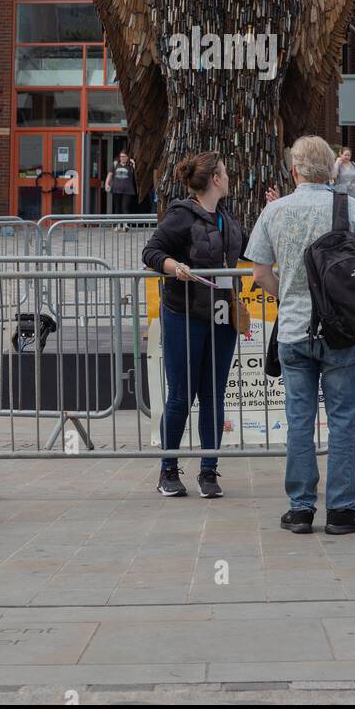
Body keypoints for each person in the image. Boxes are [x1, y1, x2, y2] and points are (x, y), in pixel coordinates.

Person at [247, 135, 355, 535]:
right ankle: (341, 509)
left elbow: (259, 274)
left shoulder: (274, 212)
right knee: (343, 420)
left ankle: (301, 508)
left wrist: (287, 295)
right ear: (331, 171)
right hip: (341, 332)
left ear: (293, 171)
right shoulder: (351, 209)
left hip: (292, 331)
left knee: (299, 420)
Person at [142, 152, 245, 499]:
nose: (230, 177)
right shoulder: (181, 215)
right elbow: (151, 251)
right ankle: (168, 469)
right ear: (215, 179)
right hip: (184, 314)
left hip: (221, 316)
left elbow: (240, 251)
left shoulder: (225, 216)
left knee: (214, 395)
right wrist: (174, 266)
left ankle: (208, 470)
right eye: (226, 172)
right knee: (181, 396)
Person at [105, 149, 137, 229]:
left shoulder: (130, 165)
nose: (122, 158)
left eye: (124, 156)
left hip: (128, 190)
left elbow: (136, 173)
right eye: (121, 156)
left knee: (125, 206)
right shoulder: (115, 164)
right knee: (117, 206)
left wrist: (133, 163)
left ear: (127, 157)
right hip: (116, 189)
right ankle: (118, 224)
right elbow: (110, 175)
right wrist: (107, 184)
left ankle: (125, 224)